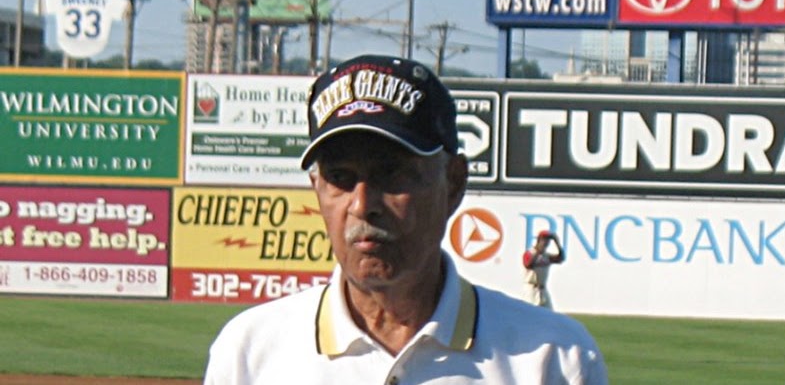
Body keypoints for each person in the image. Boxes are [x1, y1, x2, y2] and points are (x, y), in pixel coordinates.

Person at [203, 54, 608, 384]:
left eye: (391, 174)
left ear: (453, 183)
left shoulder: (553, 359)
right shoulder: (249, 354)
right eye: (340, 178)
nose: (363, 205)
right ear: (317, 190)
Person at [523, 230, 565, 309]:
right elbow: (528, 264)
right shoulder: (530, 253)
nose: (546, 242)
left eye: (548, 240)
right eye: (544, 240)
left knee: (549, 315)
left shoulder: (546, 256)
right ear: (539, 240)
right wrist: (538, 251)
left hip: (542, 290)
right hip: (531, 289)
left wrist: (557, 243)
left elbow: (561, 259)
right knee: (532, 313)